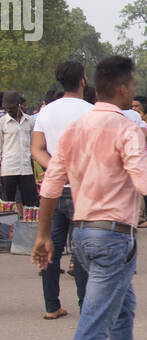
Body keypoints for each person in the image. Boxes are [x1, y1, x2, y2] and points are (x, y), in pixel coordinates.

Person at [31, 56, 147, 340]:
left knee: (122, 308)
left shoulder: (76, 127)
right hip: (113, 236)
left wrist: (44, 235)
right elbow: (144, 185)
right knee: (94, 321)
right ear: (123, 89)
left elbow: (51, 184)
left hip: (83, 233)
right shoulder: (127, 129)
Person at [29, 60, 92, 318]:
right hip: (82, 187)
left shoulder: (46, 112)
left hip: (53, 189)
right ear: (83, 80)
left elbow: (36, 149)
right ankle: (85, 305)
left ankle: (51, 305)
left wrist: (56, 166)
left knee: (50, 246)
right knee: (82, 250)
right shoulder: (91, 111)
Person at [0, 91, 37, 206]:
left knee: (30, 204)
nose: (9, 110)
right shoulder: (2, 123)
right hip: (8, 168)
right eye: (7, 108)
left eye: (12, 108)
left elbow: (33, 144)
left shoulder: (30, 121)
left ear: (18, 105)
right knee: (8, 205)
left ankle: (28, 225)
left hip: (26, 168)